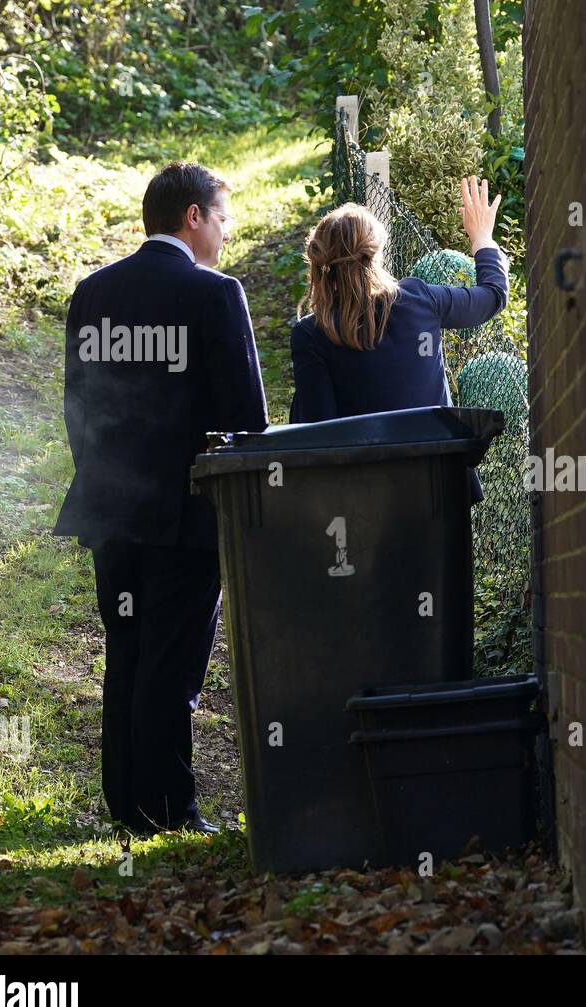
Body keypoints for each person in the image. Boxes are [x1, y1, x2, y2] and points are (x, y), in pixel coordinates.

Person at [53, 162, 268, 836]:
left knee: (128, 650)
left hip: (110, 507)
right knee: (172, 664)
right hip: (184, 513)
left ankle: (125, 801)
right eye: (223, 219)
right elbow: (247, 418)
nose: (226, 235)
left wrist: (101, 471)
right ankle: (168, 808)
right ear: (193, 217)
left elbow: (76, 405)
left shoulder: (92, 292)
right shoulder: (214, 295)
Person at [288, 176, 509, 467]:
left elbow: (319, 433)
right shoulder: (419, 299)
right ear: (376, 253)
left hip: (362, 492)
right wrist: (482, 238)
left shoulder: (310, 334)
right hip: (441, 482)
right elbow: (492, 296)